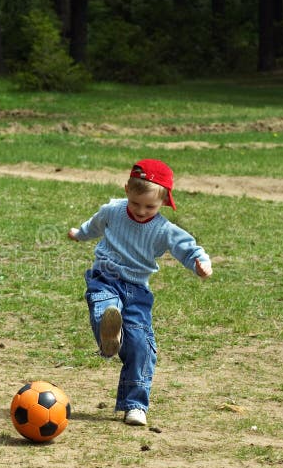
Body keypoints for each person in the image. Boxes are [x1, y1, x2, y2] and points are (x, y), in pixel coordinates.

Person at [67, 159, 212, 426]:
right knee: (105, 306)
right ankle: (110, 336)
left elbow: (189, 249)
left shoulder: (163, 230)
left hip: (137, 291)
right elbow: (94, 226)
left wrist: (201, 264)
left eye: (150, 206)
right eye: (136, 203)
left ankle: (135, 405)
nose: (142, 211)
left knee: (142, 346)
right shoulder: (112, 211)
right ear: (126, 190)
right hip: (105, 277)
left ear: (164, 202)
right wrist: (79, 234)